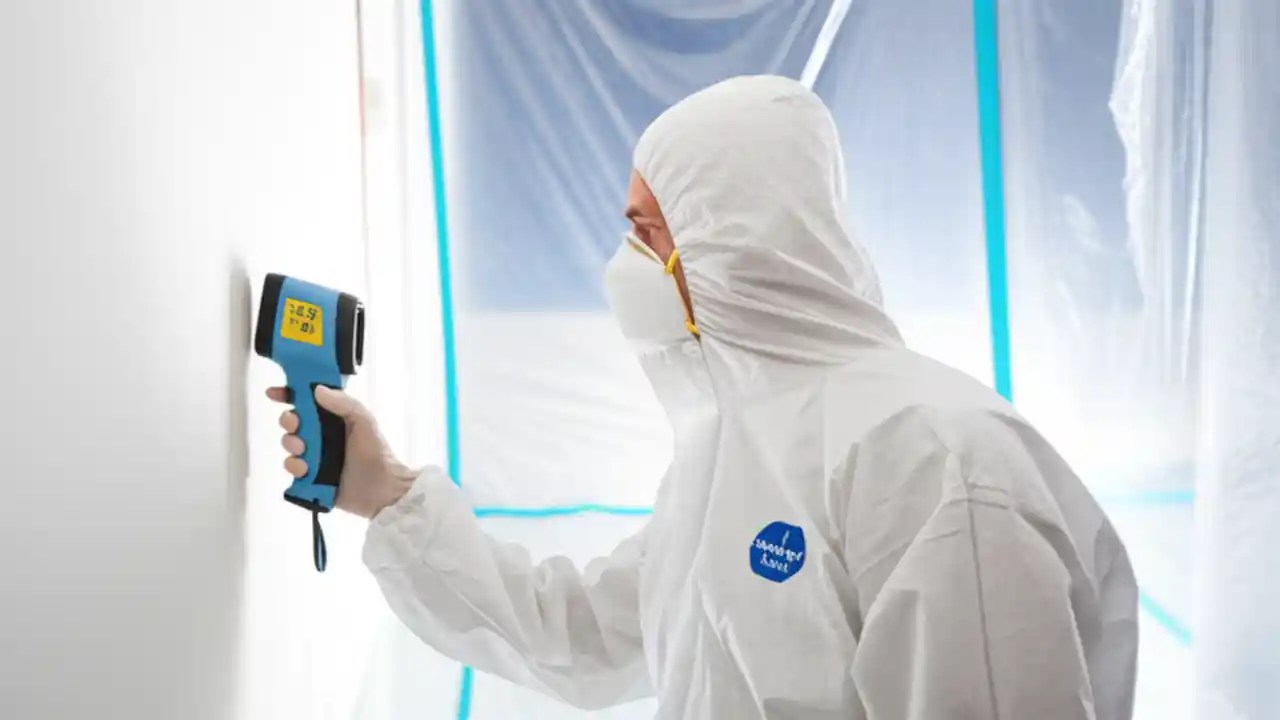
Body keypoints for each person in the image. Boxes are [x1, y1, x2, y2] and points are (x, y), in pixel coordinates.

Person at [269, 75, 1138, 719]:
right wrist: (386, 496)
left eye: (646, 232)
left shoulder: (937, 459)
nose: (625, 266)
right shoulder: (731, 456)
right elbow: (583, 635)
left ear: (736, 238)